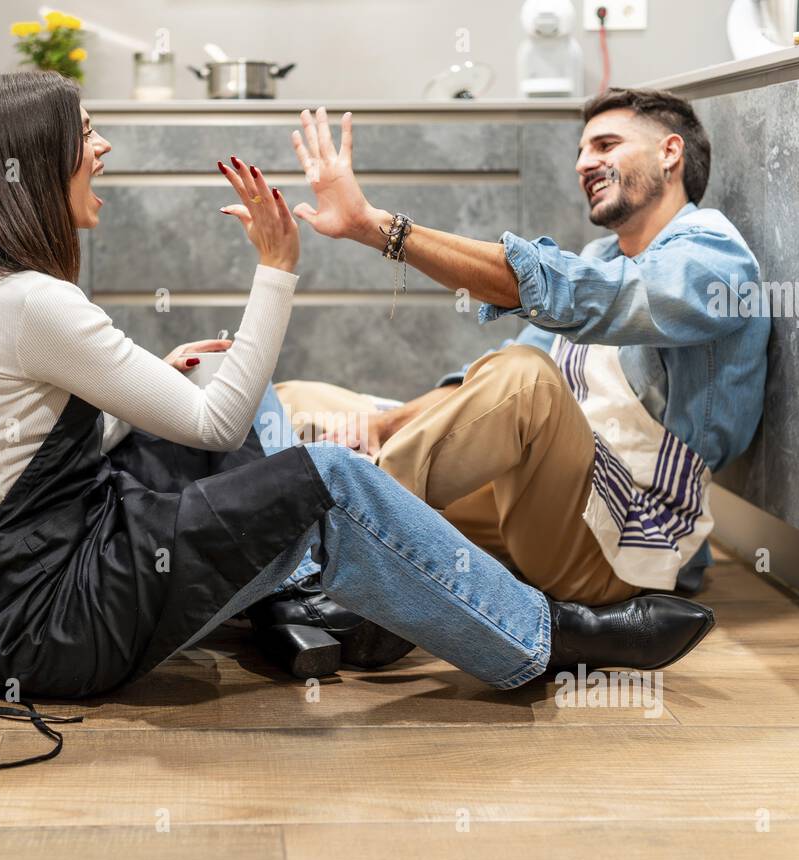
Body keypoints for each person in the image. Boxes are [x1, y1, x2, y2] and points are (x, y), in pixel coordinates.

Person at [0, 72, 715, 772]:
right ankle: (548, 637)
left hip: (31, 588)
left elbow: (41, 454)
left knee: (232, 386)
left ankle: (302, 593)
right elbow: (214, 429)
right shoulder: (36, 302)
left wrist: (152, 381)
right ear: (34, 164)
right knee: (327, 480)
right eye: (86, 134)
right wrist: (277, 268)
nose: (102, 147)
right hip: (56, 620)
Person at [275, 91, 769, 607]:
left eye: (606, 144)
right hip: (532, 508)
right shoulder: (601, 255)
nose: (584, 164)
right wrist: (384, 425)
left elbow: (583, 300)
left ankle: (351, 542)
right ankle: (297, 533)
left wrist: (377, 229)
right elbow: (485, 391)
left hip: (623, 540)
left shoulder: (716, 257)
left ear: (670, 153)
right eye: (581, 152)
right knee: (300, 403)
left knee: (525, 376)